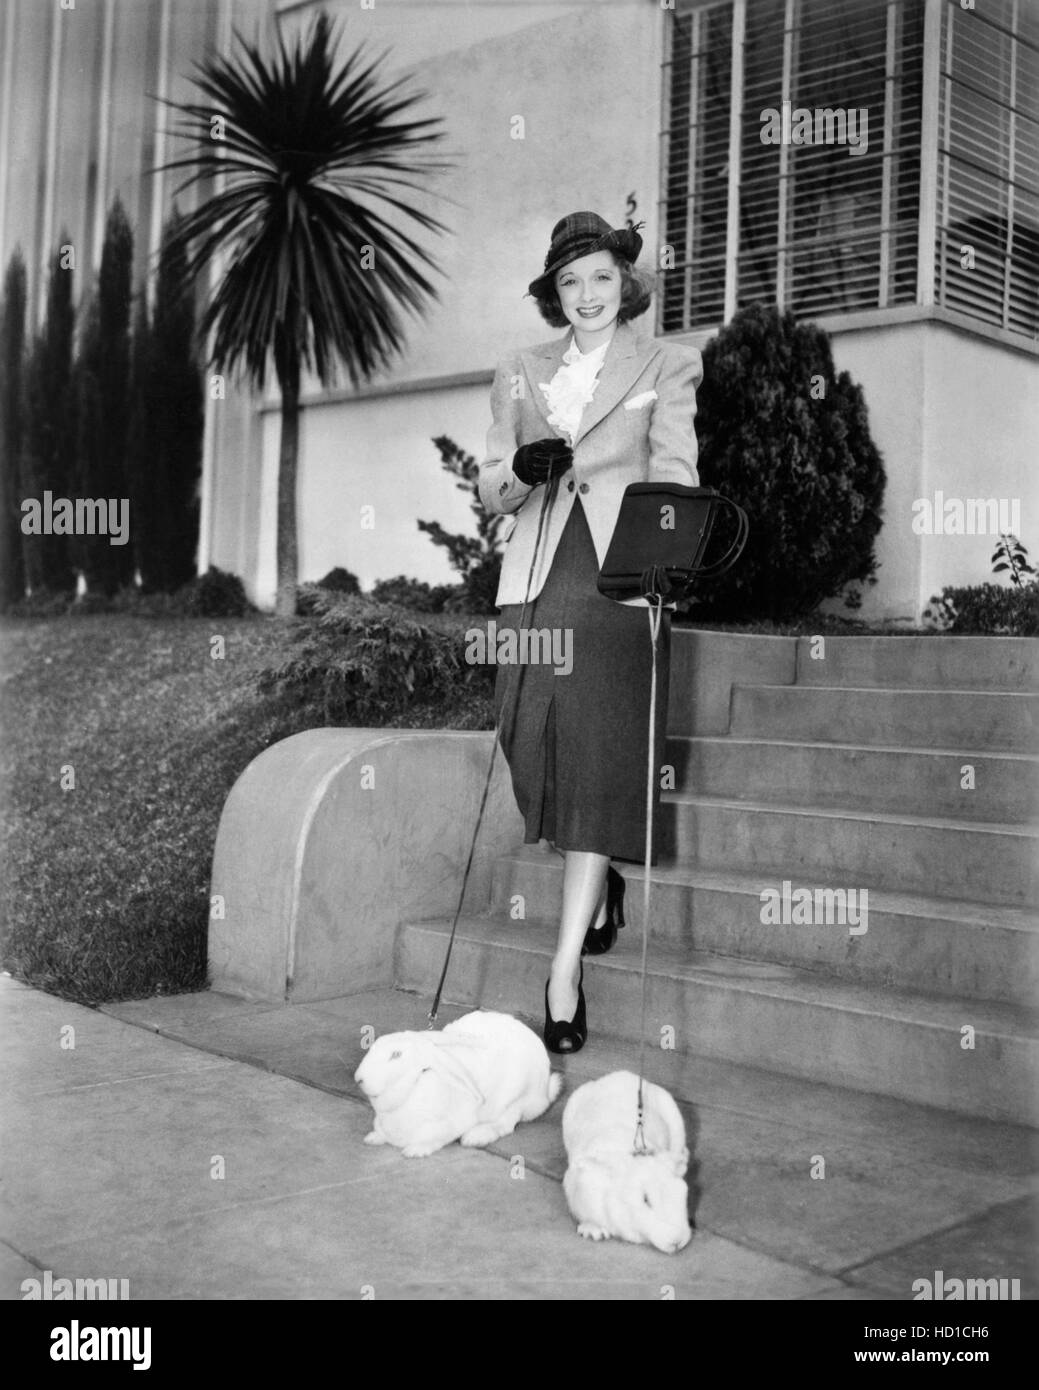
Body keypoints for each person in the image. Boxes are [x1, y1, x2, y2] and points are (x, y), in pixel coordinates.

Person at [477, 211, 703, 1054]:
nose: (587, 295)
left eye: (601, 277)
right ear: (553, 293)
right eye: (570, 282)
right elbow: (492, 477)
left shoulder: (667, 363)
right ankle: (602, 872)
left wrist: (664, 569)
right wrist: (519, 475)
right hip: (535, 572)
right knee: (523, 734)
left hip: (616, 581)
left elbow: (674, 473)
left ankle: (563, 972)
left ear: (625, 284)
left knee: (599, 763)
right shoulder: (519, 370)